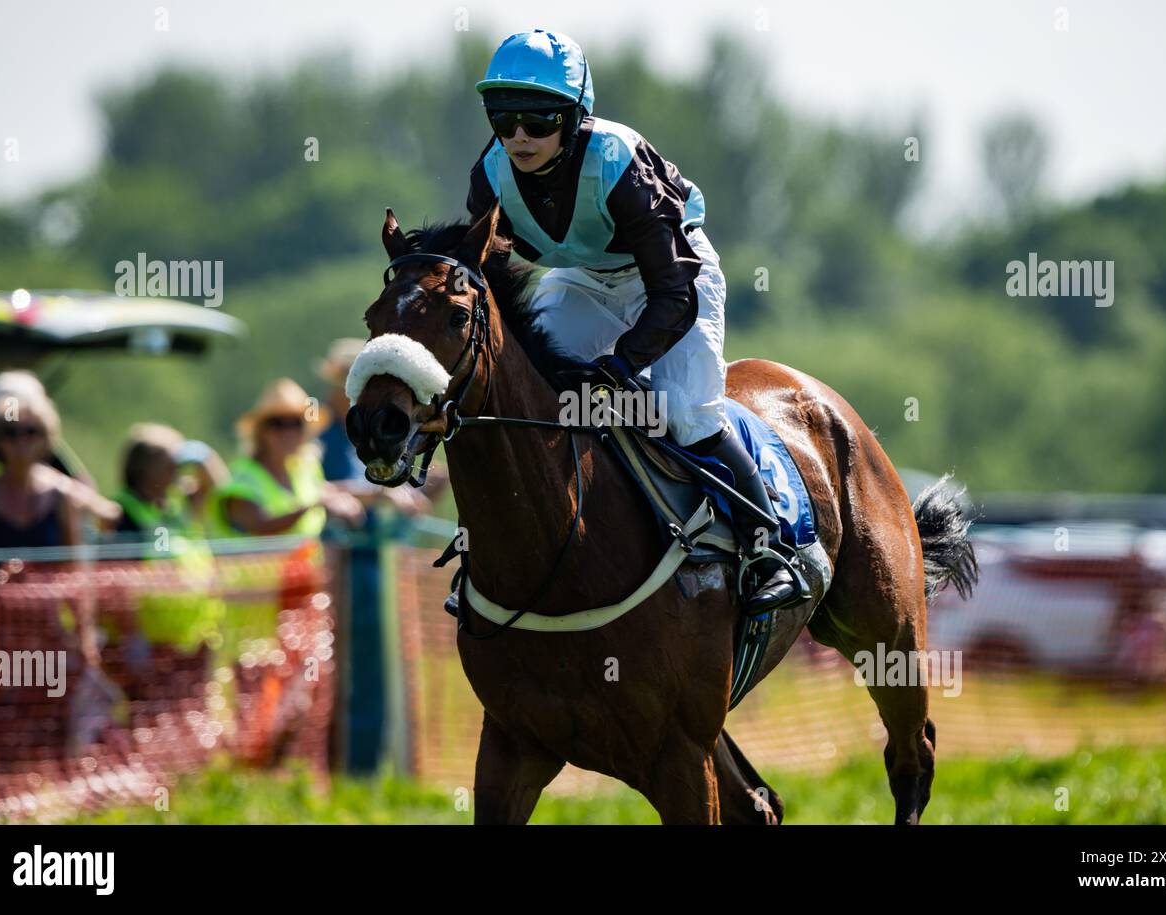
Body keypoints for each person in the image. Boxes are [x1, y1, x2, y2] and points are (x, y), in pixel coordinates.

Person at [464, 29, 797, 612]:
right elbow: (485, 288)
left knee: (686, 412)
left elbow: (672, 294)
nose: (519, 136)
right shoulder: (489, 176)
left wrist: (618, 369)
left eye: (539, 120)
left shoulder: (616, 159)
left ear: (574, 116)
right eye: (503, 116)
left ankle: (768, 545)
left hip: (670, 277)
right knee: (531, 393)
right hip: (584, 279)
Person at [0, 373, 83, 587]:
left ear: (45, 437)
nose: (21, 441)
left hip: (48, 615)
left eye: (31, 432)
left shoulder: (61, 496)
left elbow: (73, 572)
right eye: (11, 432)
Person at [214, 378, 364, 537]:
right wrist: (314, 506)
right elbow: (259, 526)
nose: (288, 433)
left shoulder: (304, 469)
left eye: (296, 424)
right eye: (278, 424)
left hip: (309, 563)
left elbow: (328, 490)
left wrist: (380, 495)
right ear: (262, 432)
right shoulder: (244, 476)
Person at [314, 337, 447, 513]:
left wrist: (420, 491)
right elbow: (308, 492)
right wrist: (379, 495)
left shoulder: (367, 430)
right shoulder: (315, 430)